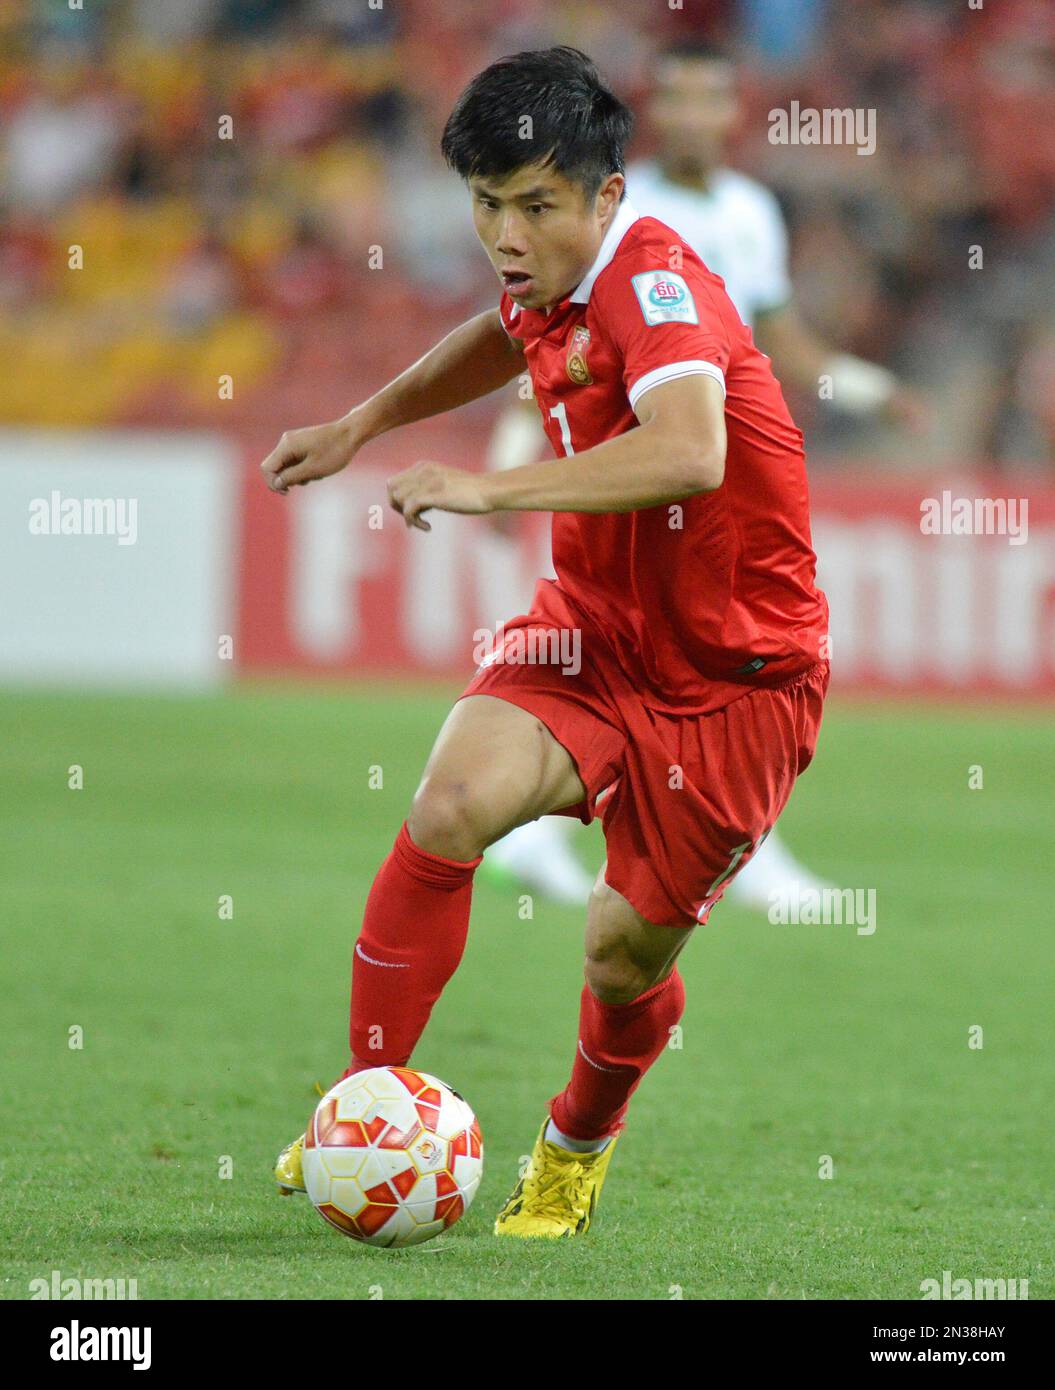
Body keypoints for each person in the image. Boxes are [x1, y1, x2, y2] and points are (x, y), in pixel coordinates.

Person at [261, 46, 830, 1238]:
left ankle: (574, 1143)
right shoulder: (545, 277)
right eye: (484, 203)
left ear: (606, 198)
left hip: (736, 676)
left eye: (532, 205)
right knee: (448, 806)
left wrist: (486, 490)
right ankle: (362, 1109)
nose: (505, 234)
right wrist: (362, 421)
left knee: (621, 956)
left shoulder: (652, 286)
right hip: (590, 631)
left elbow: (690, 453)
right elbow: (498, 333)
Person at [483, 36, 918, 912]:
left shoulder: (752, 211)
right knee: (641, 649)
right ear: (656, 111)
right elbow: (552, 335)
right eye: (673, 100)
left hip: (719, 472)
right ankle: (563, 824)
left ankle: (588, 833)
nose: (690, 116)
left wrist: (867, 390)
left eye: (706, 99)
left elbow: (781, 343)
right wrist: (506, 454)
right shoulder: (612, 205)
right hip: (635, 458)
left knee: (717, 657)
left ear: (731, 110)